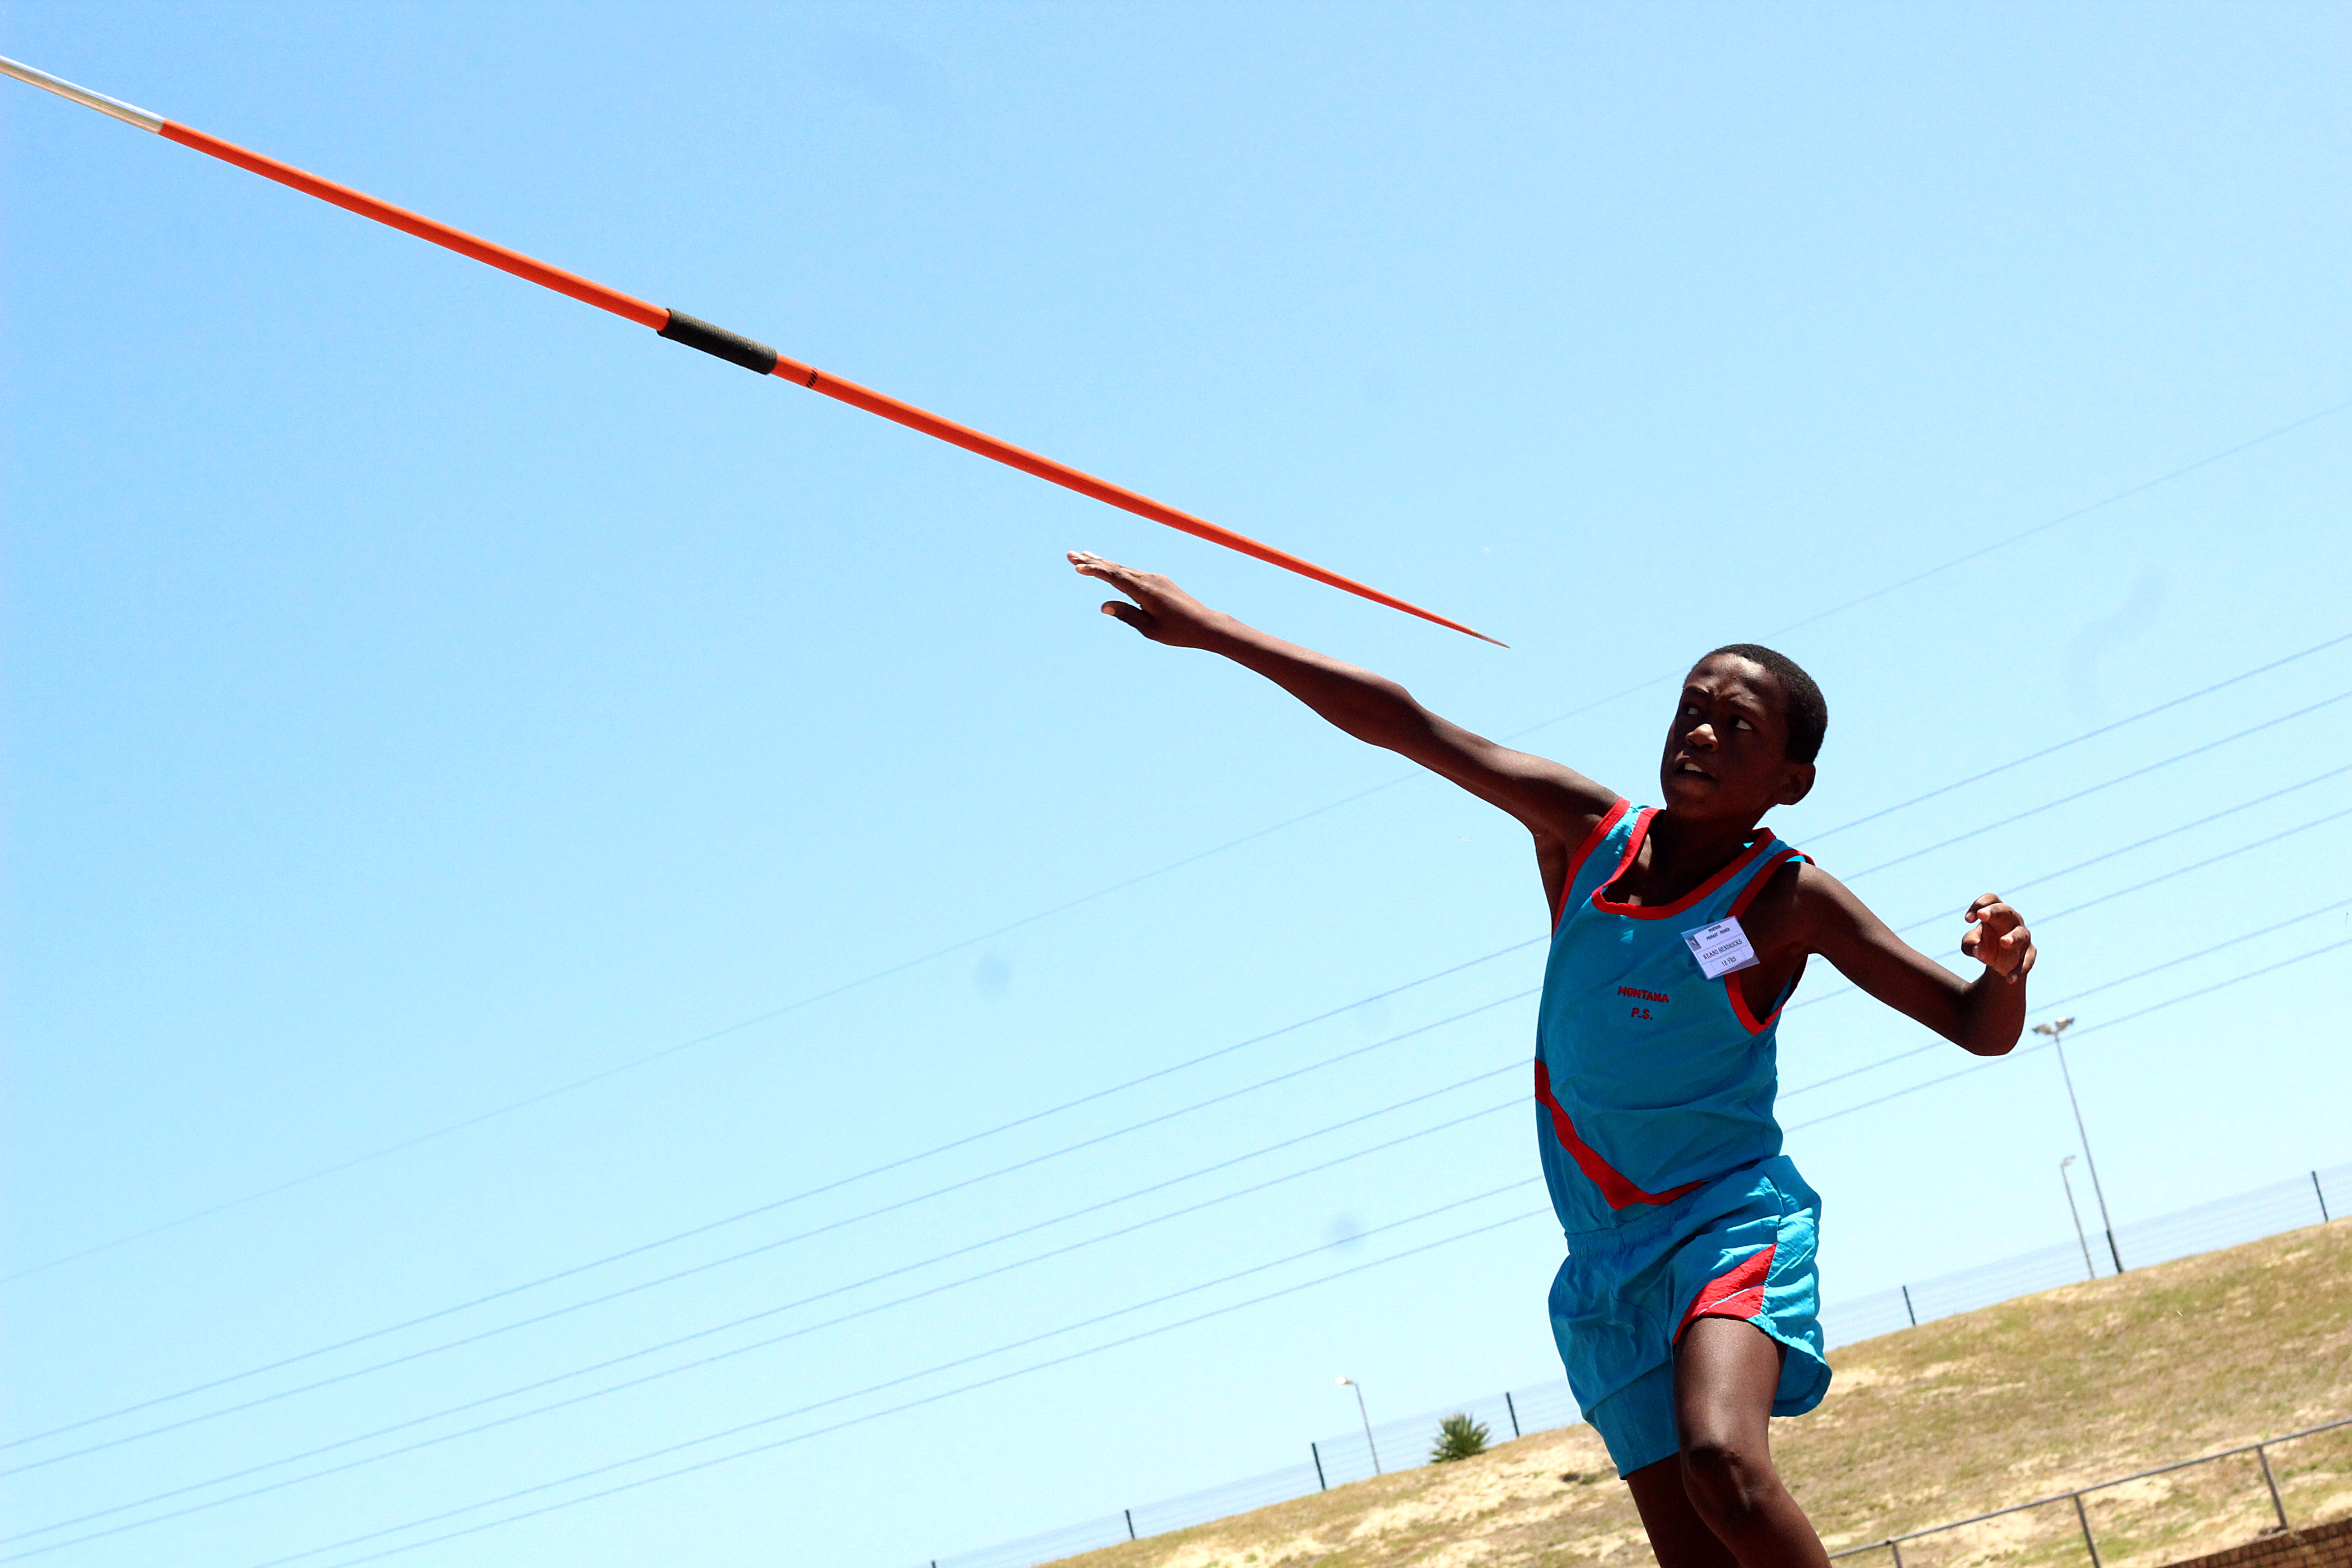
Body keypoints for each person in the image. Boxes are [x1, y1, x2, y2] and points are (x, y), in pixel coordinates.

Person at [1068, 551, 2037, 1568]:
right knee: (1696, 1554)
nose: (1700, 731)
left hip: (1727, 1223)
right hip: (1604, 1261)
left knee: (1725, 1466)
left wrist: (2006, 973)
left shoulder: (1787, 901)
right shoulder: (1586, 835)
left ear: (1790, 783)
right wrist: (1217, 630)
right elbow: (1411, 726)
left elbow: (1975, 1024)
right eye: (1690, 710)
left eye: (1737, 726)